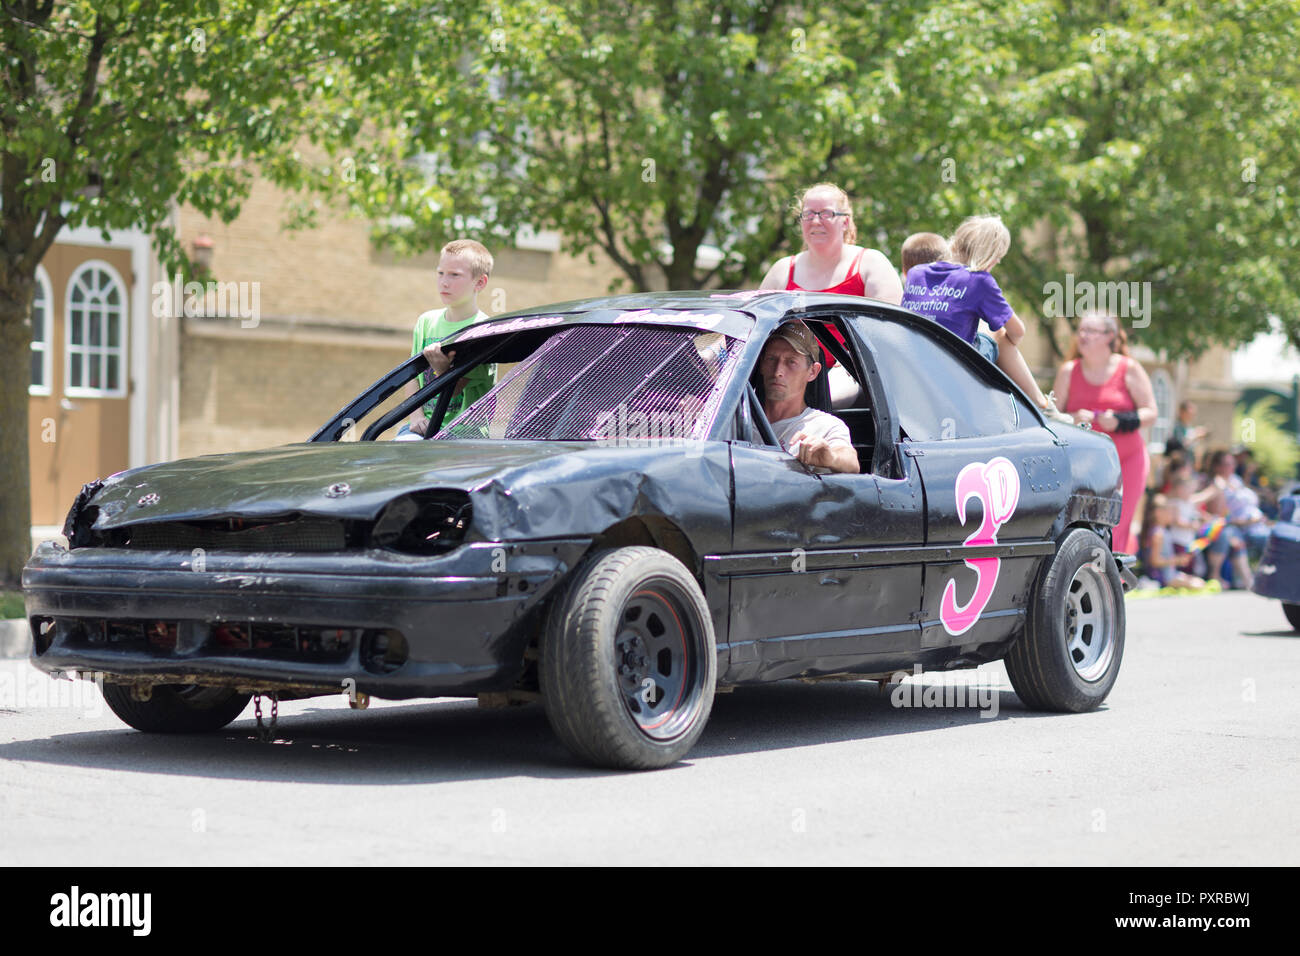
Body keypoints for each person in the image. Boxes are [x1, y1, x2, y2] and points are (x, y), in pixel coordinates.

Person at [900, 215, 1064, 419]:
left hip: (914, 362)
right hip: (955, 367)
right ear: (991, 257)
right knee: (1000, 334)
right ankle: (1042, 404)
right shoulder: (978, 280)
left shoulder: (916, 273)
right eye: (998, 258)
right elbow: (1017, 332)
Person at [1052, 311, 1158, 554]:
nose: (1083, 336)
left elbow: (1151, 412)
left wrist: (1119, 420)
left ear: (1110, 336)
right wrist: (1072, 418)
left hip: (1127, 461)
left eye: (1091, 331)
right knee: (1084, 522)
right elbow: (1051, 416)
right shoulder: (1069, 371)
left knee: (1118, 523)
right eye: (1081, 330)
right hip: (1085, 466)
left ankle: (1114, 581)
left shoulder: (1128, 368)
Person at [398, 239, 495, 439]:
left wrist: (442, 370)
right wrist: (416, 418)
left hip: (465, 434)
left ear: (480, 282)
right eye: (440, 273)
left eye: (454, 275)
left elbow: (455, 388)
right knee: (399, 455)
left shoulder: (486, 330)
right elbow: (411, 377)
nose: (444, 281)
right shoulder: (426, 321)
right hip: (421, 427)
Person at [758, 183, 903, 304]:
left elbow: (890, 328)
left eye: (826, 214)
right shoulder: (782, 271)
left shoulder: (871, 264)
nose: (815, 221)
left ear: (845, 222)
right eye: (808, 214)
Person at [758, 321, 859, 474]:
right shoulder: (734, 420)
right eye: (772, 359)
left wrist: (831, 457)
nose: (778, 371)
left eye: (791, 362)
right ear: (761, 364)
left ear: (813, 372)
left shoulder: (826, 426)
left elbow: (851, 462)